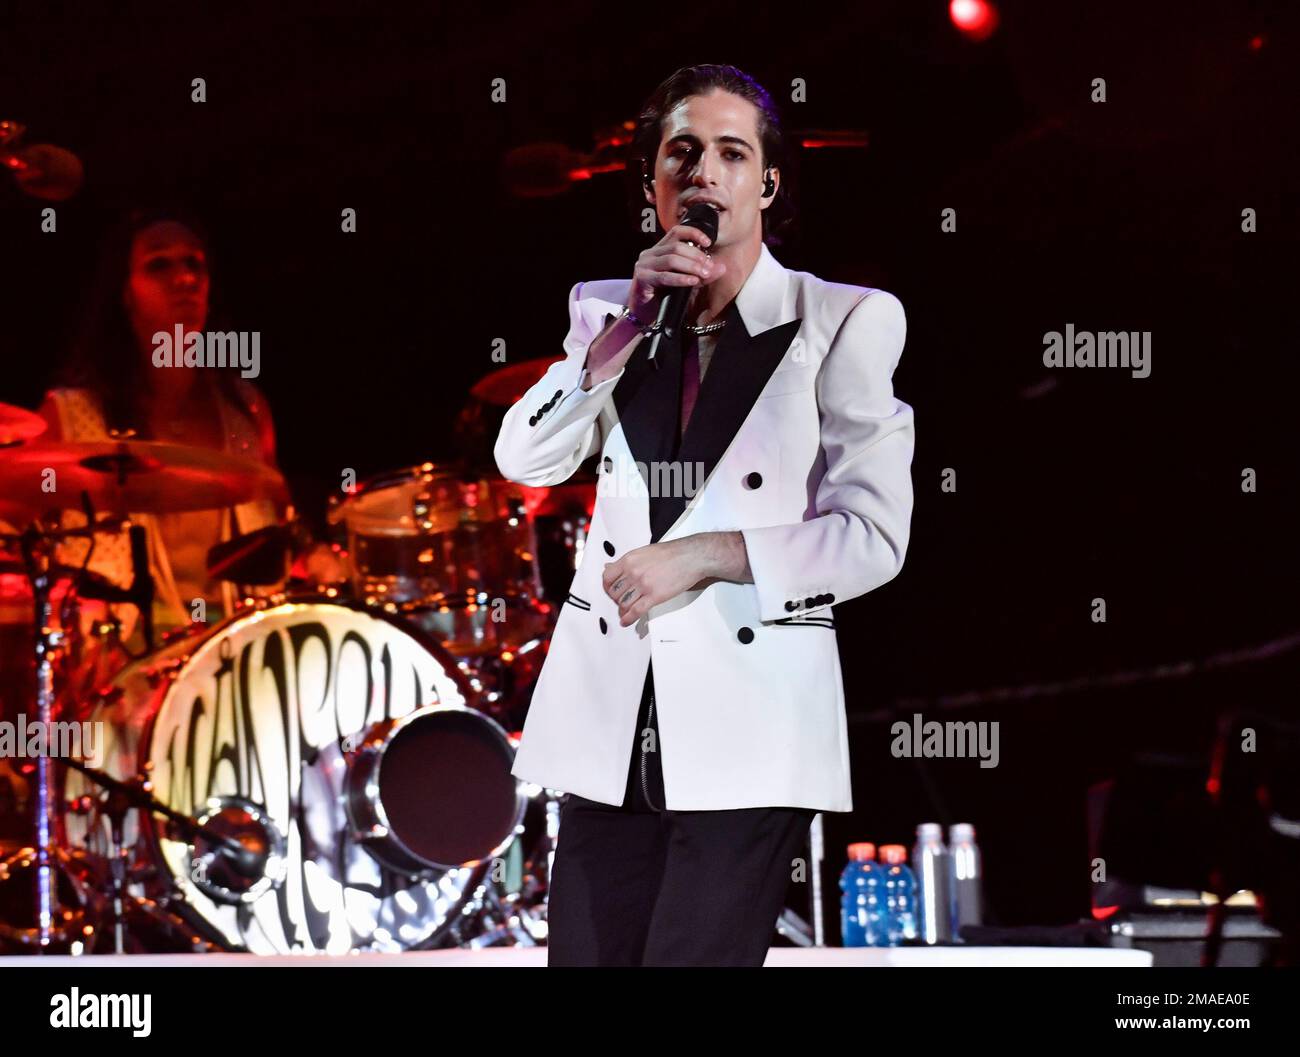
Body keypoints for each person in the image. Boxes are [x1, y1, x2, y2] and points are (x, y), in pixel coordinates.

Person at [494, 64, 916, 965]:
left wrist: (706, 554)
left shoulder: (841, 320)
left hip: (750, 719)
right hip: (611, 712)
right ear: (652, 185)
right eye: (680, 154)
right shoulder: (607, 311)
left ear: (766, 182)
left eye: (732, 151)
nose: (703, 173)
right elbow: (521, 458)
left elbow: (874, 536)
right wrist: (623, 331)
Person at [36, 208, 286, 645]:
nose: (185, 278)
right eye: (159, 264)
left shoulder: (247, 411)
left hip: (237, 658)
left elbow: (276, 541)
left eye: (195, 263)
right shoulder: (69, 417)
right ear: (125, 294)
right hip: (113, 668)